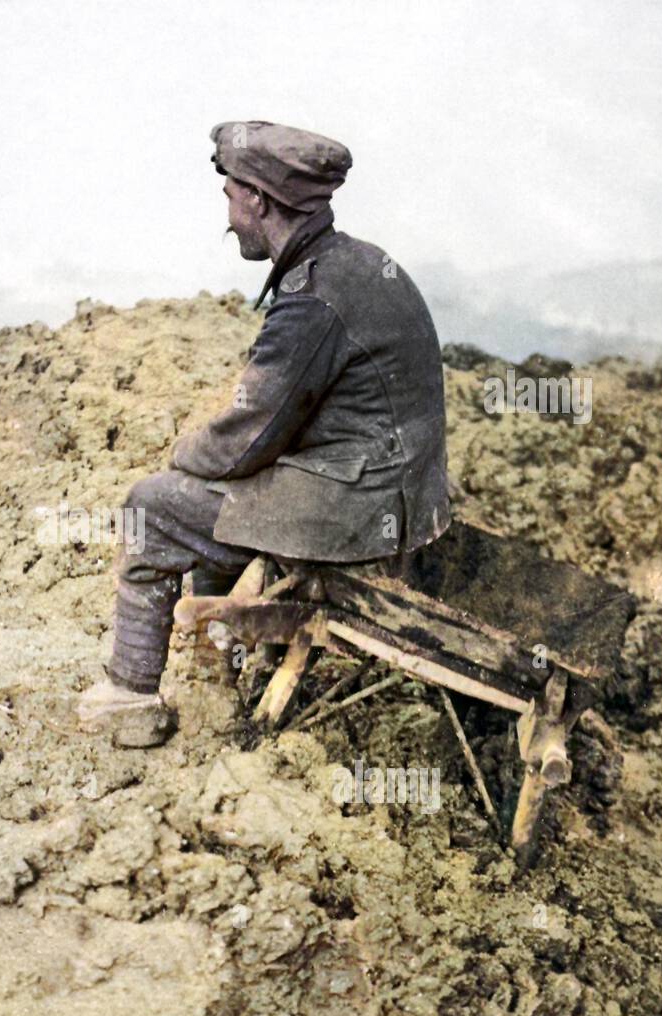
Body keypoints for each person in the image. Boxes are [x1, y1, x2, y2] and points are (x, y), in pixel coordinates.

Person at [77, 120, 451, 747]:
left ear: (257, 199)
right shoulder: (358, 263)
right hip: (402, 491)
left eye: (230, 196)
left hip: (361, 509)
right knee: (217, 498)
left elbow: (249, 437)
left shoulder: (313, 297)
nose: (227, 216)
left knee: (154, 505)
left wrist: (184, 456)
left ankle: (130, 699)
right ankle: (224, 654)